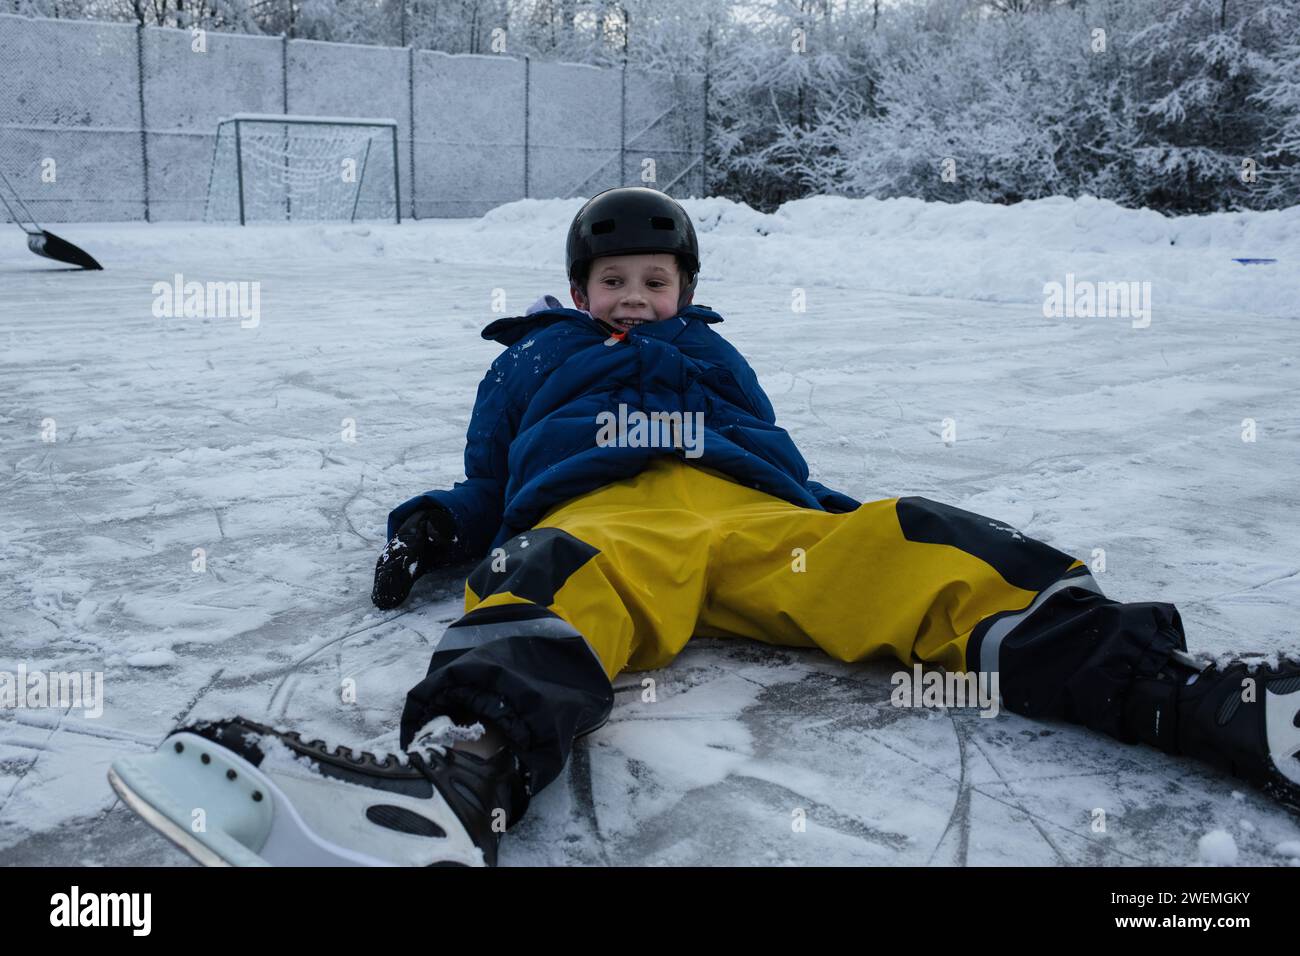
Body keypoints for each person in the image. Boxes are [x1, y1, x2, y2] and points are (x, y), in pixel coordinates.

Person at [109, 187, 1300, 867]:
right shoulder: (532, 360)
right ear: (580, 289)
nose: (634, 297)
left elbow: (773, 447)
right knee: (545, 582)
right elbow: (483, 484)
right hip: (609, 520)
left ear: (683, 288)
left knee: (930, 541)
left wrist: (842, 521)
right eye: (613, 281)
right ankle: (456, 779)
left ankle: (1192, 697)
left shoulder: (715, 351)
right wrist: (431, 528)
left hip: (749, 516)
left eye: (654, 282)